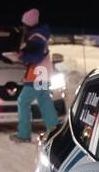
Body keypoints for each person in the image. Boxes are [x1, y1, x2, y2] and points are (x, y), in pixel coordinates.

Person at [7, 8, 60, 143]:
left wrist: (21, 57)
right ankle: (55, 133)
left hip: (37, 75)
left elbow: (35, 57)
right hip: (43, 74)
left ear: (29, 24)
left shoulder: (36, 38)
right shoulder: (40, 35)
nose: (23, 26)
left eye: (24, 23)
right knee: (45, 103)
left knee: (23, 101)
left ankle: (24, 135)